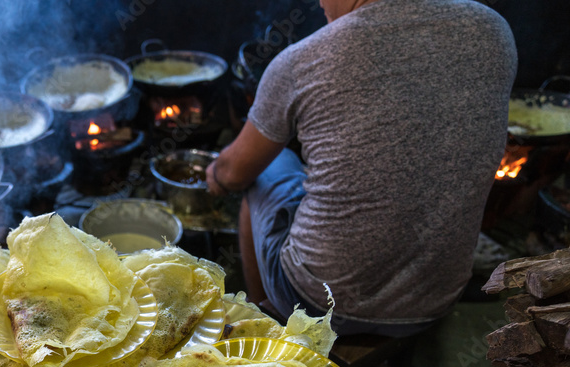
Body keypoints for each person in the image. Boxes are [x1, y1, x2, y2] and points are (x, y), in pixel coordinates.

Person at [206, 0, 517, 336]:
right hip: (435, 301)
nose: (320, 2)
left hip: (317, 303)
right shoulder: (492, 29)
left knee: (267, 168)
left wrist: (215, 176)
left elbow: (234, 172)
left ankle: (264, 318)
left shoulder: (304, 60)